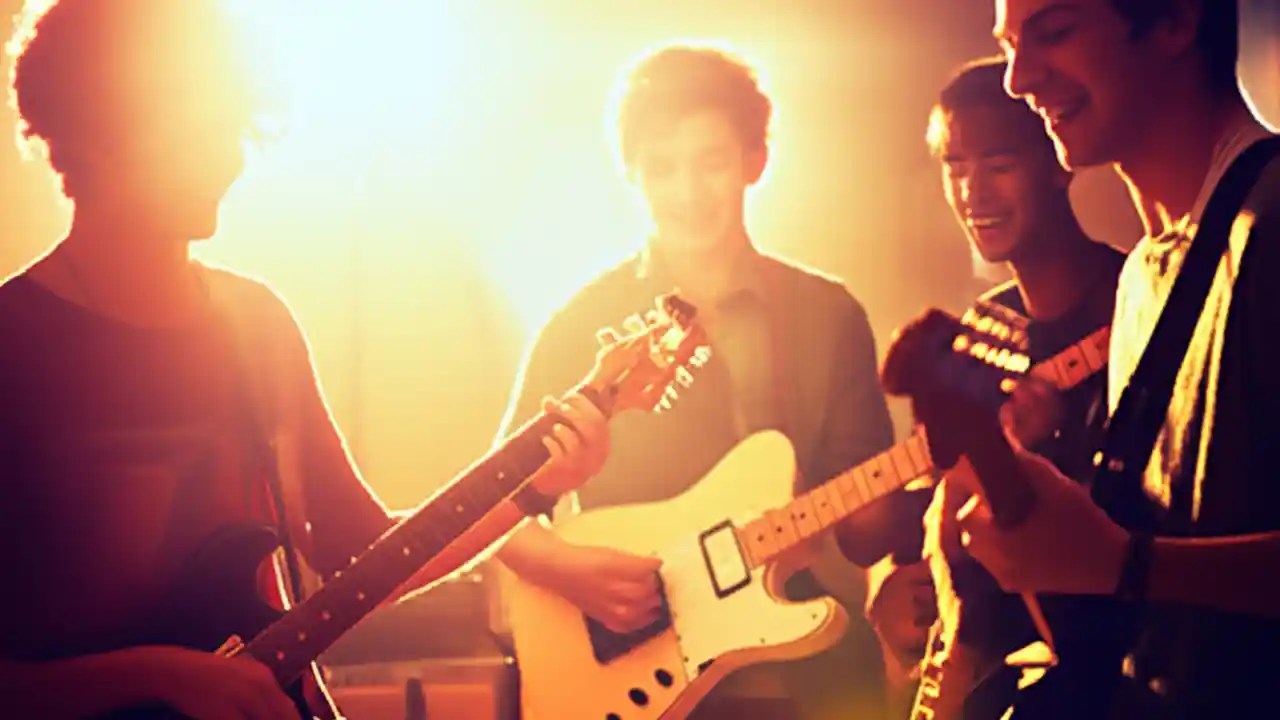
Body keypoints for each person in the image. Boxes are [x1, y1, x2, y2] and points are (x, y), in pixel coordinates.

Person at [0, 2, 609, 718]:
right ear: (100, 134)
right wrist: (158, 676)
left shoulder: (254, 325)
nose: (228, 158)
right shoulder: (15, 344)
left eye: (230, 127)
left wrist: (535, 488)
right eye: (197, 131)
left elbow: (367, 557)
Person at [899, 1, 1280, 716]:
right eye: (1009, 45)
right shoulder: (1141, 279)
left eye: (1054, 31)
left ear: (1174, 20)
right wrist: (1017, 508)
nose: (1018, 78)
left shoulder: (1276, 222)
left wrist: (1124, 563)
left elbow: (1136, 571)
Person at [494, 44, 896, 718]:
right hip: (637, 680)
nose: (688, 192)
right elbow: (486, 519)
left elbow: (868, 537)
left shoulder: (830, 316)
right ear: (631, 173)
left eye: (711, 162)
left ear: (754, 161)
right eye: (662, 167)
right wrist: (575, 575)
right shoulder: (582, 323)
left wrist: (921, 477)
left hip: (810, 687)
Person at [837, 56, 1125, 718]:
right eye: (955, 167)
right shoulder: (981, 326)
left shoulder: (1132, 301)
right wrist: (886, 581)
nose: (974, 192)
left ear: (1057, 160)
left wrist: (1043, 451)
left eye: (998, 164)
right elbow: (934, 505)